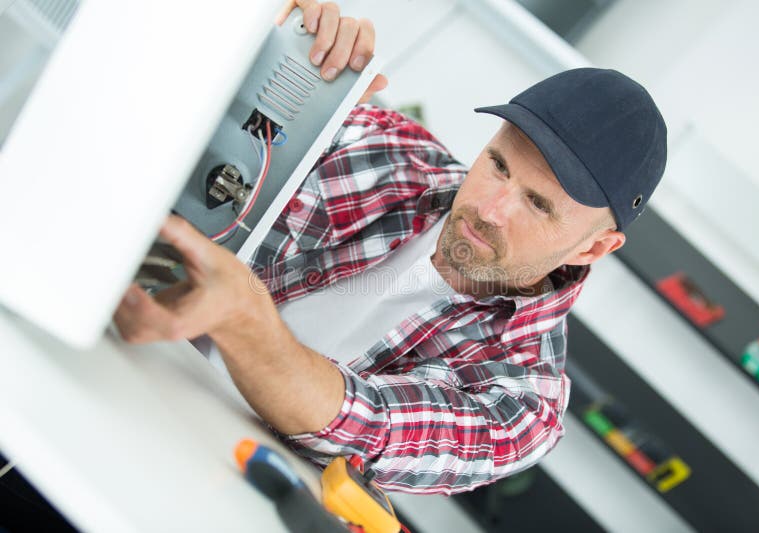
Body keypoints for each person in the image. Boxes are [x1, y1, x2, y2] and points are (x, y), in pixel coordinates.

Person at [113, 0, 667, 495]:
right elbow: (193, 138)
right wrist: (270, 48)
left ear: (595, 247)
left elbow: (365, 426)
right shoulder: (385, 148)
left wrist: (242, 316)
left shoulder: (523, 400)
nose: (490, 209)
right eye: (497, 164)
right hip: (114, 372)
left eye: (539, 205)